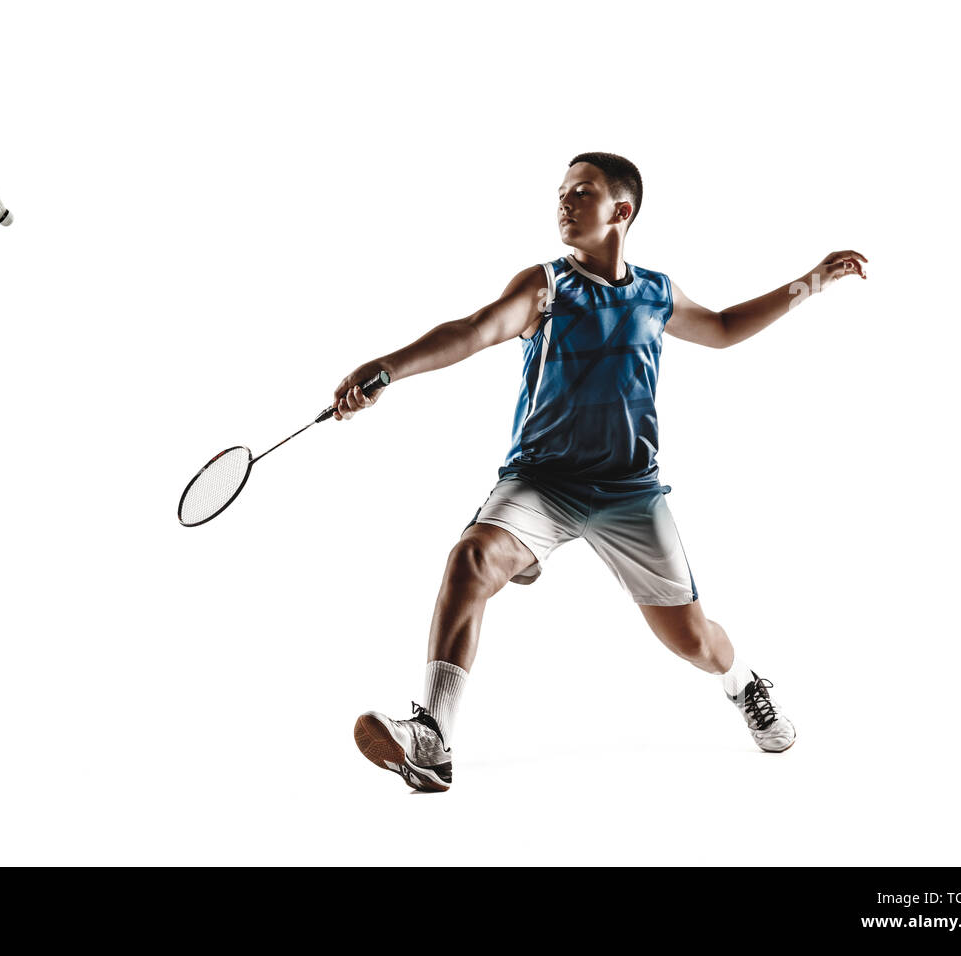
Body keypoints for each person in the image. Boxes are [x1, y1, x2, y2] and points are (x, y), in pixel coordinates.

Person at [334, 152, 867, 792]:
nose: (563, 202)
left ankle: (742, 681)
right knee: (470, 559)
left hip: (631, 496)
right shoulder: (545, 287)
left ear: (622, 211)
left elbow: (724, 328)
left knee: (694, 642)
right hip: (542, 482)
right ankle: (432, 738)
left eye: (580, 192)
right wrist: (388, 368)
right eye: (561, 191)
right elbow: (473, 331)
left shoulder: (657, 293)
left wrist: (811, 280)